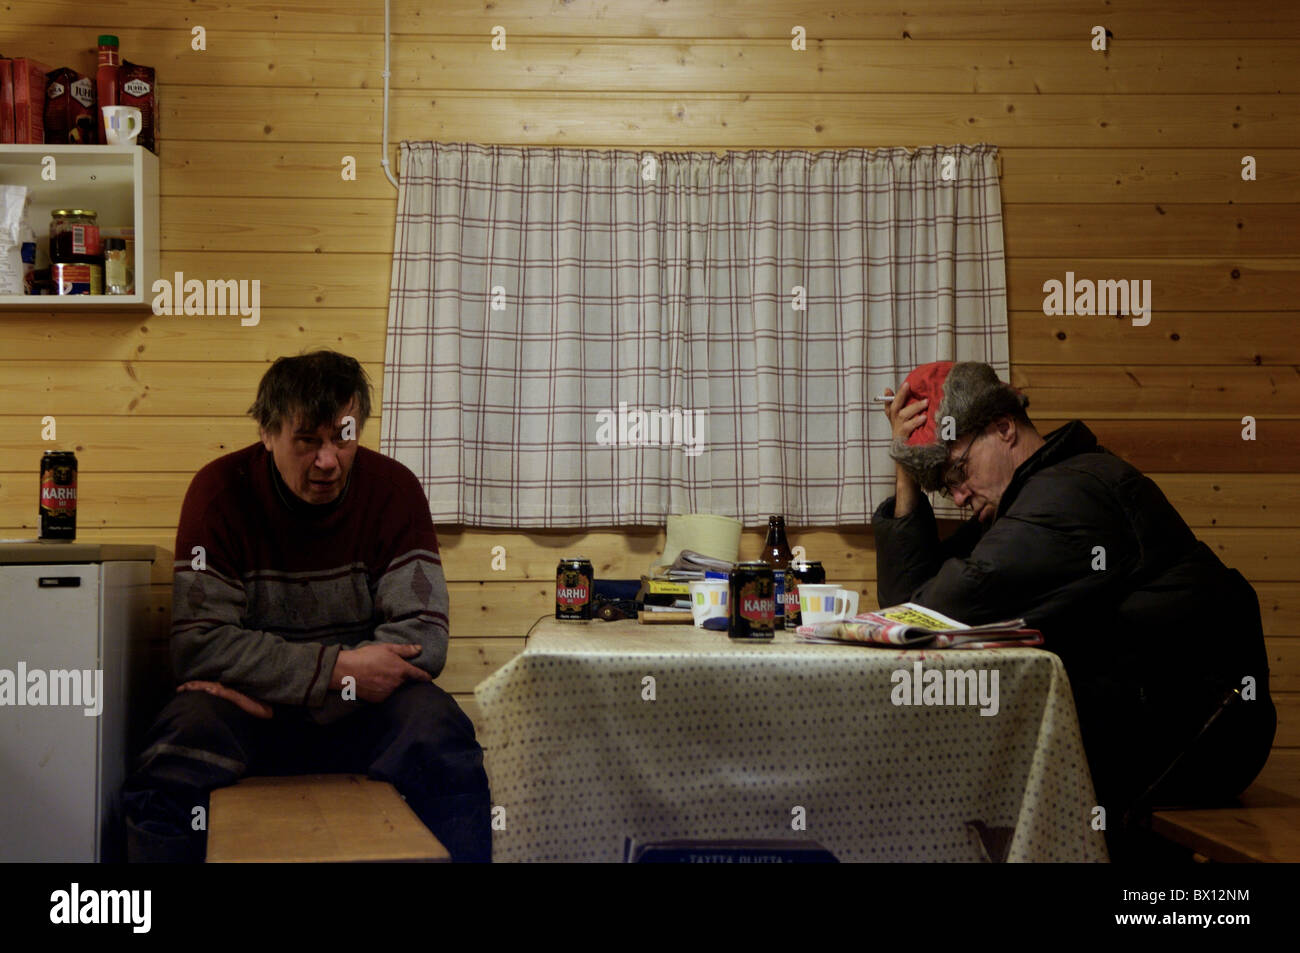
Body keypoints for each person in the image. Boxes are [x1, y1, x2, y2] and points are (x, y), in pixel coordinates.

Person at [872, 360, 1276, 860]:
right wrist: (907, 475)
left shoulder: (1071, 492)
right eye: (944, 483)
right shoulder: (1023, 500)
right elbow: (911, 613)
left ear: (1003, 428)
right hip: (1149, 721)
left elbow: (930, 610)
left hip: (1201, 734)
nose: (957, 494)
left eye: (957, 470)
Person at [122, 350, 491, 862]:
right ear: (268, 434)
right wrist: (340, 670)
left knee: (441, 737)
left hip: (348, 713)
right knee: (173, 751)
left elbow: (422, 638)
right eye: (307, 440)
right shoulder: (219, 493)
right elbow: (198, 644)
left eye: (343, 436)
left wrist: (313, 689)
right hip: (252, 719)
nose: (328, 460)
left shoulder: (395, 490)